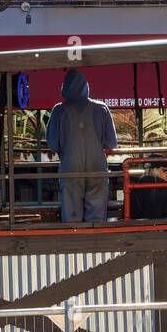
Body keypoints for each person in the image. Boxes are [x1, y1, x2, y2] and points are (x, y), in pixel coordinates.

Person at [45, 69, 118, 223]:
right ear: (86, 87)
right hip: (98, 168)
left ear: (64, 88)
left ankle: (74, 245)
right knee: (97, 218)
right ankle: (95, 246)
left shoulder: (58, 110)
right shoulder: (101, 108)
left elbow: (52, 144)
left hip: (70, 168)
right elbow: (112, 143)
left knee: (71, 219)